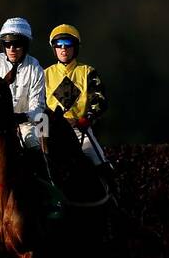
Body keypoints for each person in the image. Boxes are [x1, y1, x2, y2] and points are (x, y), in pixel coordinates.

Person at [0, 17, 58, 218]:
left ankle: (49, 195)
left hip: (26, 122)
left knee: (36, 143)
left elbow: (38, 107)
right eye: (8, 44)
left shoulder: (36, 68)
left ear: (26, 45)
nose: (12, 48)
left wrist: (19, 117)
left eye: (17, 44)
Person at [45, 23, 116, 189]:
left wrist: (88, 118)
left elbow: (100, 100)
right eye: (59, 45)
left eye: (68, 44)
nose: (63, 49)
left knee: (103, 165)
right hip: (51, 132)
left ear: (76, 47)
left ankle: (114, 200)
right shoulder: (45, 74)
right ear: (53, 48)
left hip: (80, 130)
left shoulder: (87, 71)